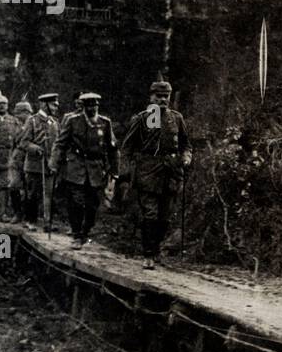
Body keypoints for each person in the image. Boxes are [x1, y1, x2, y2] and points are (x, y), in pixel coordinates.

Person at [119, 79, 192, 269]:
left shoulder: (176, 118)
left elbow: (186, 145)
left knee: (165, 217)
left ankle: (157, 248)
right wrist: (125, 174)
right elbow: (126, 148)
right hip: (148, 173)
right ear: (151, 97)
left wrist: (186, 158)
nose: (162, 100)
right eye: (158, 97)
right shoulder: (143, 118)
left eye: (165, 97)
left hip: (171, 172)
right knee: (150, 214)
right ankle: (148, 254)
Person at [50, 92, 117, 249]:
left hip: (95, 167)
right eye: (88, 106)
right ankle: (76, 234)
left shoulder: (105, 123)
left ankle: (86, 231)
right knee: (76, 201)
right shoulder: (73, 121)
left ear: (98, 106)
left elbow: (112, 148)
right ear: (83, 107)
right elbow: (60, 143)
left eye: (94, 105)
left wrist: (114, 169)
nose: (92, 108)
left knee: (93, 203)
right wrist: (54, 162)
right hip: (76, 166)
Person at [17, 93, 60, 230]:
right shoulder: (33, 120)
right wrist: (35, 148)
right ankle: (30, 221)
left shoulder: (55, 122)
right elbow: (23, 142)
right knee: (33, 194)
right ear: (44, 104)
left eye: (56, 104)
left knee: (48, 194)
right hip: (34, 165)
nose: (56, 107)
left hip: (49, 164)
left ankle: (47, 222)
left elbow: (57, 144)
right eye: (53, 104)